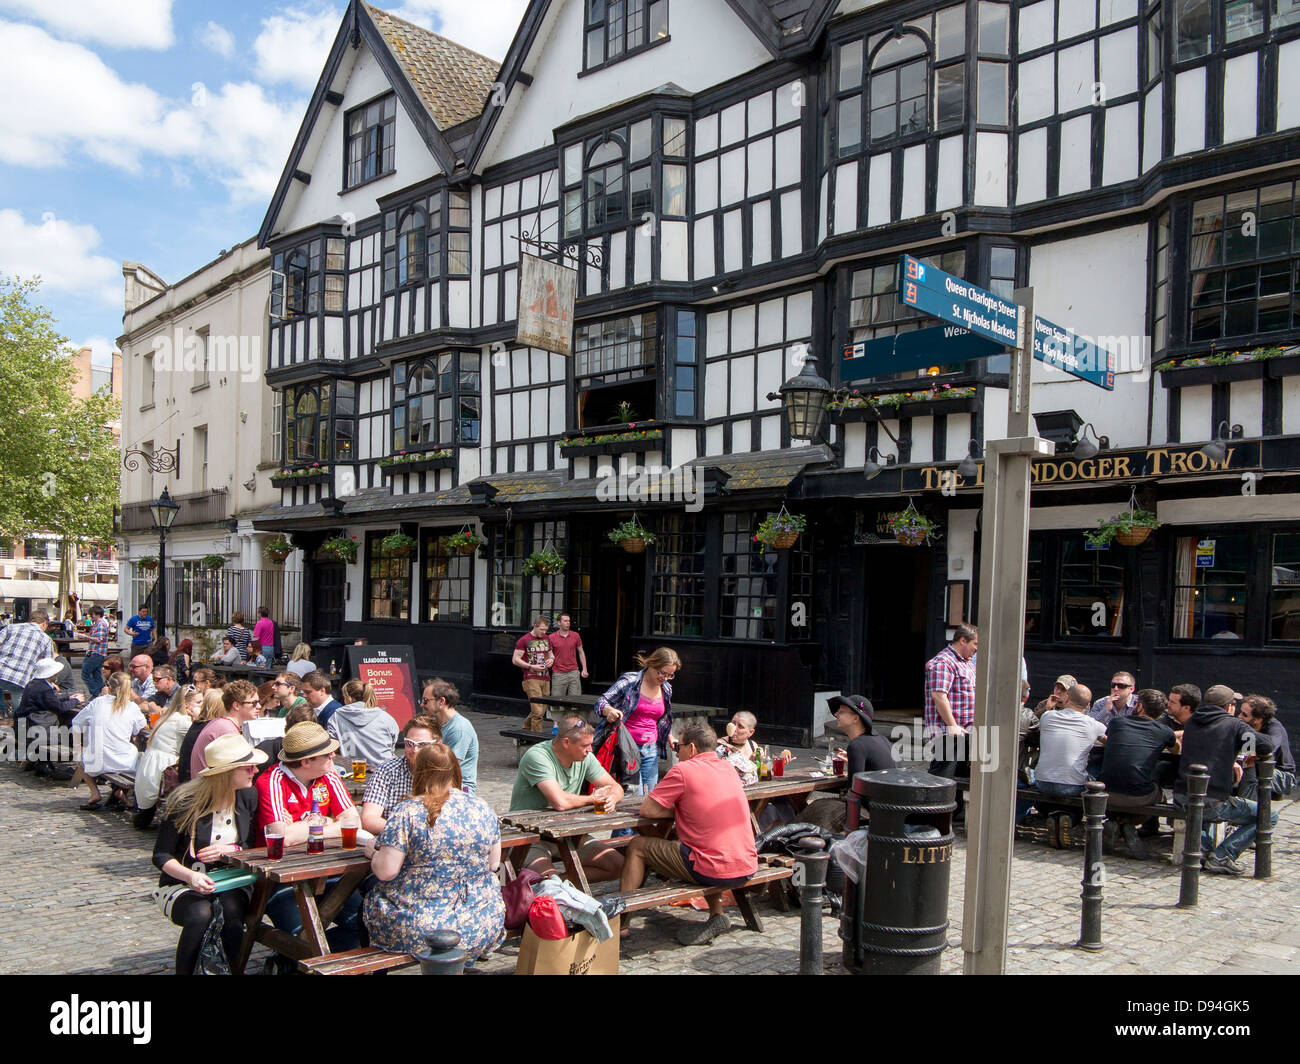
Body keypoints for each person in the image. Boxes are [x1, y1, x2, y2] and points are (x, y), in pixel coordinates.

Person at [363, 742, 506, 963]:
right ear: (455, 771)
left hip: (419, 929)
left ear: (419, 772)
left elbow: (386, 872)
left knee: (363, 904)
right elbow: (493, 864)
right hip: (481, 923)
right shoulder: (482, 808)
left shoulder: (408, 811)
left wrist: (373, 853)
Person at [618, 723, 758, 945]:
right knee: (700, 843)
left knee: (637, 846)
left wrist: (683, 807)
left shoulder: (684, 770)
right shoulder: (728, 768)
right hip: (747, 864)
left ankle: (621, 925)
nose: (677, 753)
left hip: (713, 868)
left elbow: (648, 810)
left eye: (678, 748)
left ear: (691, 748)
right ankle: (716, 913)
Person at [152, 733, 266, 974]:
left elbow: (256, 846)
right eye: (248, 767)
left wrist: (233, 850)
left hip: (232, 880)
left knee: (232, 912)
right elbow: (161, 855)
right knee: (200, 913)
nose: (254, 771)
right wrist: (191, 877)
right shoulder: (186, 802)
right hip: (183, 881)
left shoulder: (248, 796)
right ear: (227, 772)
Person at [257, 722, 364, 968]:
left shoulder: (328, 774)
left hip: (330, 873)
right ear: (306, 762)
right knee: (300, 937)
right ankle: (294, 958)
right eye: (327, 753)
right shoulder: (272, 780)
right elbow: (280, 837)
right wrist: (330, 823)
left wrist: (303, 827)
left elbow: (352, 821)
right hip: (283, 878)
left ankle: (290, 960)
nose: (333, 756)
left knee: (365, 924)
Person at [1174, 685, 1278, 875]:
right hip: (1211, 800)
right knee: (1269, 816)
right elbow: (1265, 745)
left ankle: (1203, 849)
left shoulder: (1191, 722)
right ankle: (1223, 855)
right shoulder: (1233, 725)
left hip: (1181, 798)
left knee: (1205, 800)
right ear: (1229, 706)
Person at [508, 715, 625, 882]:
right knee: (548, 881)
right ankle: (552, 888)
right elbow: (560, 803)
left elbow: (616, 787)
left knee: (618, 865)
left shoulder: (585, 757)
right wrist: (593, 798)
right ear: (566, 742)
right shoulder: (537, 756)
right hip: (530, 836)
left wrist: (611, 798)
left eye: (590, 744)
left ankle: (560, 888)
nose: (590, 750)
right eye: (585, 746)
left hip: (568, 835)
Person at [1098, 689, 1177, 857]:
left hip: (1105, 793)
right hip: (1138, 797)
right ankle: (1129, 824)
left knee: (1125, 781)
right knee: (1158, 792)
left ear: (1140, 707)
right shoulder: (1164, 731)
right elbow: (1177, 749)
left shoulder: (1117, 724)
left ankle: (1116, 822)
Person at [594, 647, 680, 795]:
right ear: (652, 664)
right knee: (635, 793)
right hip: (627, 748)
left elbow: (661, 719)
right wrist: (609, 710)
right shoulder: (630, 681)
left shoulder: (666, 688)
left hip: (650, 748)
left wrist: (669, 737)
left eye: (670, 675)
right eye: (661, 673)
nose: (665, 678)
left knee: (650, 794)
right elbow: (601, 702)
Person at [803, 695, 896, 831]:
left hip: (872, 814)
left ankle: (791, 839)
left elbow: (854, 792)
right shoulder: (883, 740)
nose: (836, 714)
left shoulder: (857, 745)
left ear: (855, 718)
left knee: (820, 807)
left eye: (841, 711)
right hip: (892, 812)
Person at [70, 672, 147, 810]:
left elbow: (76, 722)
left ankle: (95, 792)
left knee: (82, 757)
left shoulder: (98, 703)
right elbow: (140, 729)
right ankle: (120, 793)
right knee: (138, 755)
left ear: (109, 687)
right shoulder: (132, 707)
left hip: (98, 761)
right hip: (126, 761)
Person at [133, 683, 204, 830]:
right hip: (165, 764)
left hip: (152, 760)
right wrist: (198, 718)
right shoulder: (183, 721)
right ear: (186, 704)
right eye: (198, 702)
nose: (202, 705)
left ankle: (144, 817)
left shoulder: (170, 715)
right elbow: (200, 738)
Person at [923, 624, 978, 806]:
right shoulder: (943, 662)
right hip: (948, 734)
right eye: (975, 644)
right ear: (963, 640)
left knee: (960, 779)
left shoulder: (967, 663)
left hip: (966, 733)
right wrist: (952, 724)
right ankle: (930, 815)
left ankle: (951, 816)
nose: (976, 649)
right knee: (941, 779)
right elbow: (939, 696)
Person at [360, 715, 442, 834]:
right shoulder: (387, 771)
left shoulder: (445, 772)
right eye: (409, 743)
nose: (415, 750)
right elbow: (369, 820)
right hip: (395, 843)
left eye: (423, 745)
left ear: (438, 744)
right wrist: (410, 833)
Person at [1028, 684, 1105, 799]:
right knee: (1098, 758)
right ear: (1088, 705)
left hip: (1042, 783)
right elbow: (1110, 743)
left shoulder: (1047, 717)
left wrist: (1048, 707)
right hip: (1073, 787)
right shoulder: (1095, 725)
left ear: (1067, 698)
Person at [189, 680, 262, 781]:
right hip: (209, 791)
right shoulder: (227, 730)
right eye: (253, 703)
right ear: (236, 705)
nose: (259, 706)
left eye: (259, 702)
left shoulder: (221, 723)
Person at [419, 678, 479, 794]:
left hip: (458, 789)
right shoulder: (437, 723)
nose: (422, 704)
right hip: (438, 782)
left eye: (426, 700)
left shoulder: (459, 729)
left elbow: (448, 769)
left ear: (441, 701)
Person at [328, 678, 399, 765]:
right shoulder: (386, 718)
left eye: (344, 698)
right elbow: (392, 745)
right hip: (384, 769)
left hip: (353, 769)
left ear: (349, 698)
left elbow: (332, 745)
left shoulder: (336, 716)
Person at [1238, 694, 1296, 798]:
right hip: (1255, 766)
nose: (1239, 716)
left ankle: (1246, 808)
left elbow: (1270, 746)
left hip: (1283, 776)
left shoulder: (1274, 728)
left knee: (1251, 768)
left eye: (1244, 715)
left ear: (1258, 719)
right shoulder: (1247, 727)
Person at [0, 607, 56, 706]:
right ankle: (19, 719)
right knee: (21, 709)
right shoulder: (46, 639)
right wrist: (51, 683)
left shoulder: (11, 627)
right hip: (21, 679)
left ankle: (2, 713)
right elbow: (48, 665)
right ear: (44, 623)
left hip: (1, 670)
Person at [511, 614, 553, 732]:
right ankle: (536, 737)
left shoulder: (547, 638)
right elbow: (515, 659)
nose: (544, 632)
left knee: (540, 709)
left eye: (546, 630)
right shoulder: (524, 640)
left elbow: (551, 654)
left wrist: (551, 660)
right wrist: (530, 666)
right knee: (538, 711)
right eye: (541, 629)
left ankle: (526, 728)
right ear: (535, 626)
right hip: (531, 677)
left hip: (545, 677)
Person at [547, 613, 588, 704]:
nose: (568, 623)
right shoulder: (551, 637)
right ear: (559, 623)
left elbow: (581, 652)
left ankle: (573, 718)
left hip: (574, 673)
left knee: (575, 702)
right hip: (558, 674)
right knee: (557, 703)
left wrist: (584, 669)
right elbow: (548, 654)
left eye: (569, 621)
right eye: (565, 621)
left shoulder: (576, 635)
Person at [717, 711, 759, 784]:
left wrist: (758, 760)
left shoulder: (753, 745)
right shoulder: (720, 745)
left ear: (751, 732)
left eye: (740, 726)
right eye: (733, 724)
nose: (734, 728)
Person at [81, 606, 112, 698]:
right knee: (96, 673)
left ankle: (95, 692)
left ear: (97, 614)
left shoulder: (101, 624)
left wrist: (85, 637)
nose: (91, 616)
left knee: (85, 674)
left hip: (97, 653)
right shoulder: (96, 624)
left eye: (92, 615)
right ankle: (101, 692)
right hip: (94, 652)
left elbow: (99, 639)